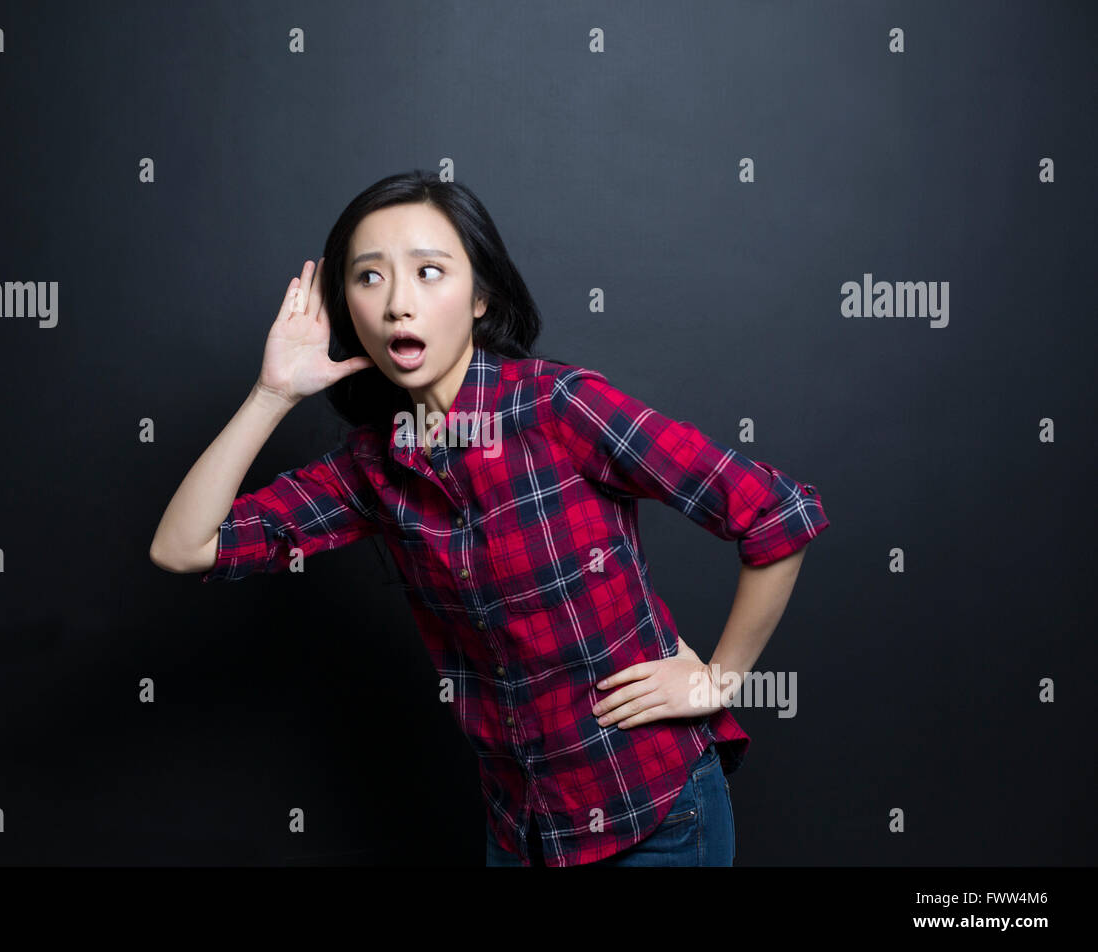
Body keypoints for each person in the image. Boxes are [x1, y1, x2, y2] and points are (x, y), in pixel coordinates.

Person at [149, 170, 830, 866]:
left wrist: (720, 678)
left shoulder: (560, 408)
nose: (398, 305)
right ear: (345, 307)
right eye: (370, 278)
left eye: (430, 271)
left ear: (481, 297)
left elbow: (778, 511)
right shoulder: (372, 466)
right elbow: (184, 547)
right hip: (521, 834)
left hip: (653, 818)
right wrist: (272, 392)